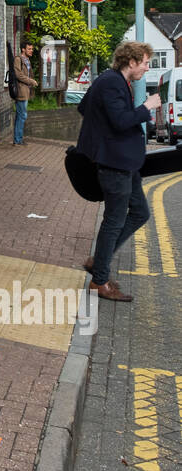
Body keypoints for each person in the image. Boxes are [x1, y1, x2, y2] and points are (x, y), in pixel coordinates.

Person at [74, 40, 161, 302]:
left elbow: (84, 107)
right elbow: (121, 121)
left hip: (123, 163)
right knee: (113, 221)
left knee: (140, 212)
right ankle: (99, 282)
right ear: (131, 61)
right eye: (145, 63)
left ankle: (99, 260)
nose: (147, 68)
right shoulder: (112, 82)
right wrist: (146, 107)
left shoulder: (110, 80)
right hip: (114, 165)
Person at [13, 38, 38, 144]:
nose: (31, 50)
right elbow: (18, 74)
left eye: (32, 49)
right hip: (21, 90)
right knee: (22, 115)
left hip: (26, 90)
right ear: (23, 49)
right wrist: (31, 81)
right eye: (29, 49)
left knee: (20, 115)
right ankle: (18, 139)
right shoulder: (18, 59)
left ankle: (18, 138)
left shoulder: (27, 60)